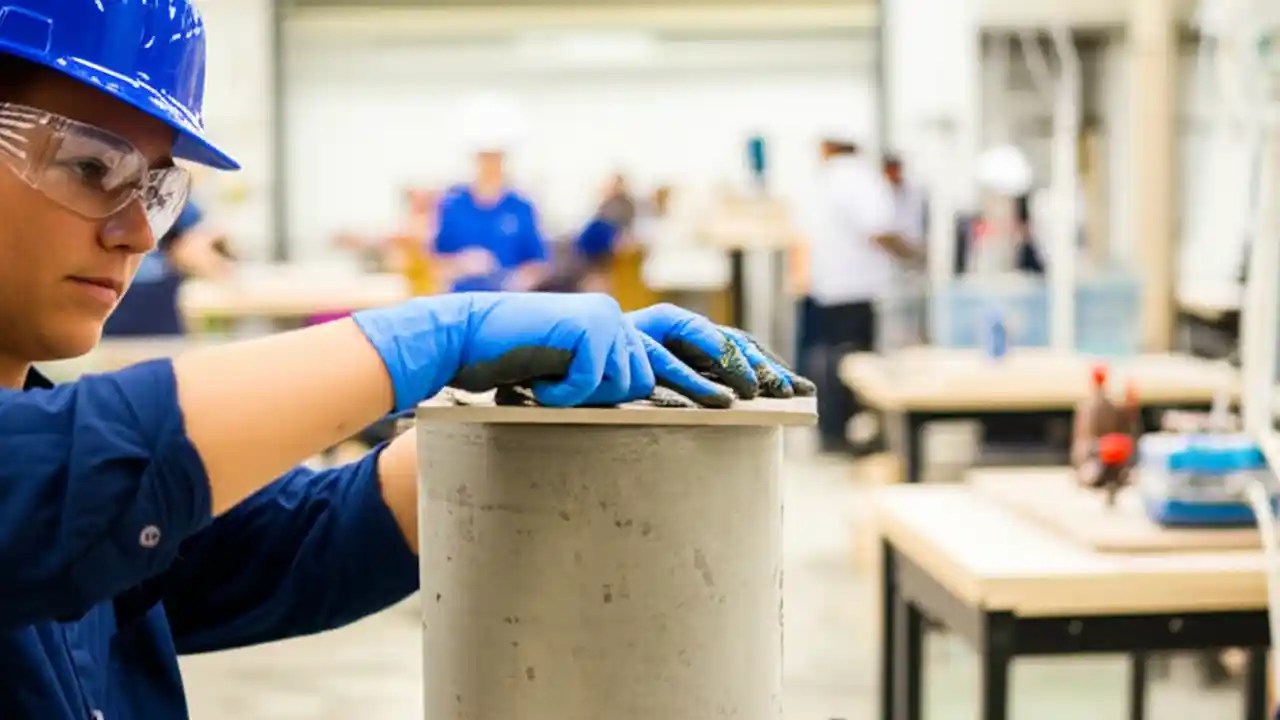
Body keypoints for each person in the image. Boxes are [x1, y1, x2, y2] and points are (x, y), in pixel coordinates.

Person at [0, 3, 813, 718]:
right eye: (90, 167)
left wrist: (520, 427)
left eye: (153, 189)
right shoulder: (56, 477)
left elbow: (294, 541)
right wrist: (435, 336)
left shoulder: (74, 480)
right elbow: (64, 471)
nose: (140, 232)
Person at [802, 135, 919, 455]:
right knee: (854, 362)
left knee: (830, 358)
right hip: (855, 287)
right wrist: (916, 255)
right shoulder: (857, 178)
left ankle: (832, 432)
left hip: (829, 286)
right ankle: (848, 431)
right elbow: (879, 229)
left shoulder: (825, 180)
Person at [432, 120, 549, 293]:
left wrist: (520, 279)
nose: (490, 164)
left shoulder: (521, 207)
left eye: (495, 157)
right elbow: (432, 262)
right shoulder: (452, 205)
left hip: (507, 300)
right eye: (485, 157)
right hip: (461, 301)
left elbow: (538, 263)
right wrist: (460, 264)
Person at [101, 199, 233, 337]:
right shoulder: (102, 197)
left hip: (161, 329)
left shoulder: (169, 195)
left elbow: (199, 241)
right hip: (108, 328)